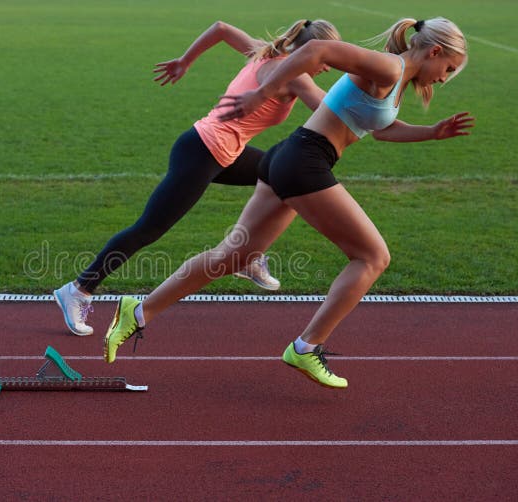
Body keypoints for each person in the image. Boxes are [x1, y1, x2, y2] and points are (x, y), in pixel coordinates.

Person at [103, 17, 475, 390]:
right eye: (448, 69)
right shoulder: (389, 66)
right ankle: (306, 347)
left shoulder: (394, 79)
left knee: (234, 255)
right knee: (373, 257)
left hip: (290, 156)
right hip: (305, 161)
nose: (444, 78)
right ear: (434, 51)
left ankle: (139, 310)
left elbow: (381, 130)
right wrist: (262, 93)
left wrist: (432, 133)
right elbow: (316, 50)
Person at [53, 19, 341, 336]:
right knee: (148, 228)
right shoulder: (294, 75)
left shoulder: (264, 52)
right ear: (312, 50)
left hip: (222, 152)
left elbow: (221, 29)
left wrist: (184, 62)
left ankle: (248, 254)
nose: (327, 68)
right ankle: (79, 290)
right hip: (202, 153)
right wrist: (373, 90)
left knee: (282, 177)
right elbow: (332, 109)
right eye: (326, 59)